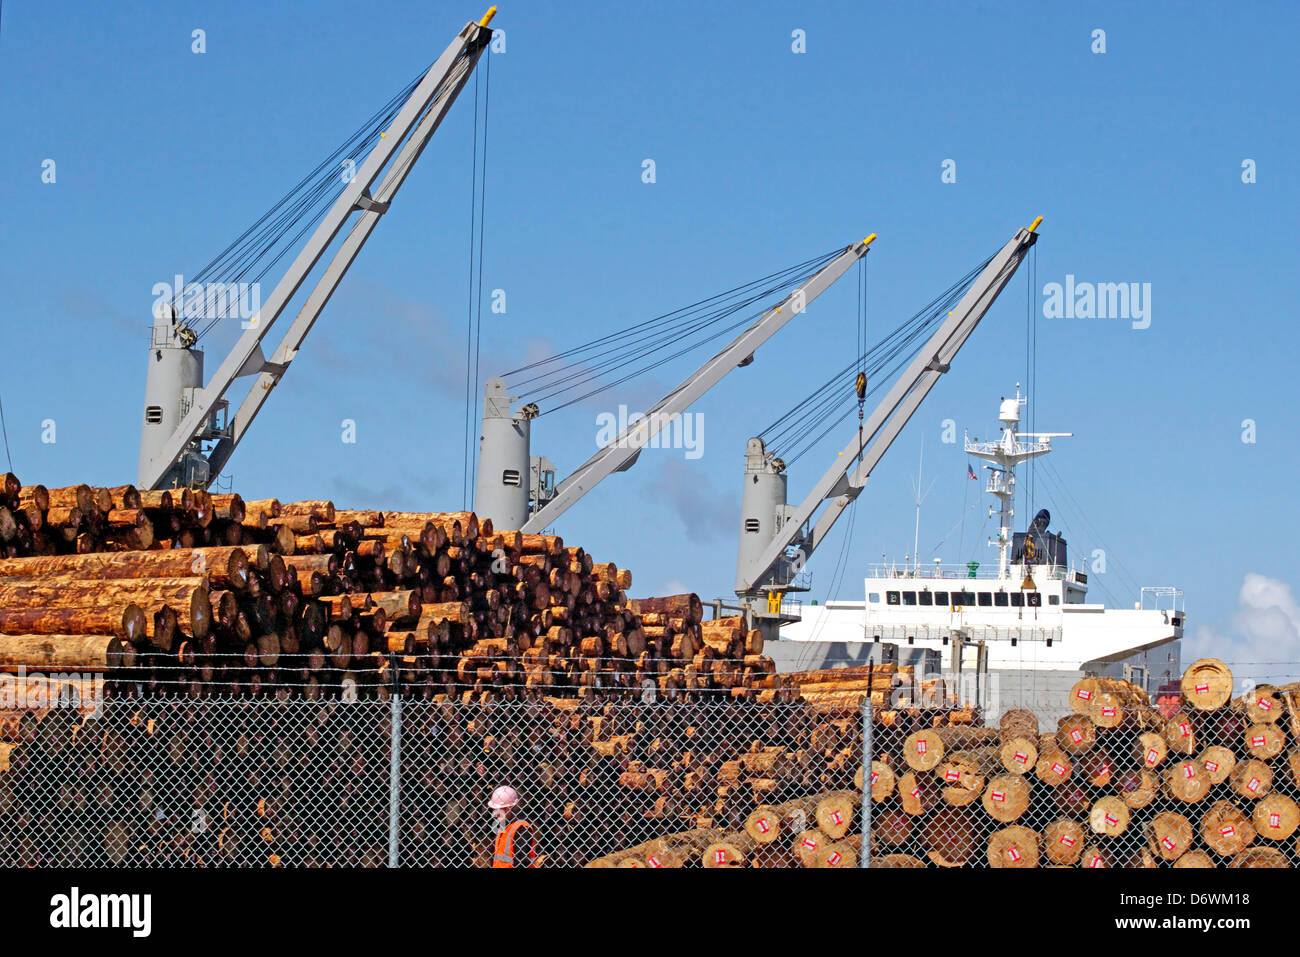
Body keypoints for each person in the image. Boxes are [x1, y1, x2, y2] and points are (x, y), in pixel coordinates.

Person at [489, 785, 536, 868]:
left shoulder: (521, 829)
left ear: (510, 807)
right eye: (495, 809)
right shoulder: (504, 828)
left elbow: (521, 863)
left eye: (500, 809)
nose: (496, 813)